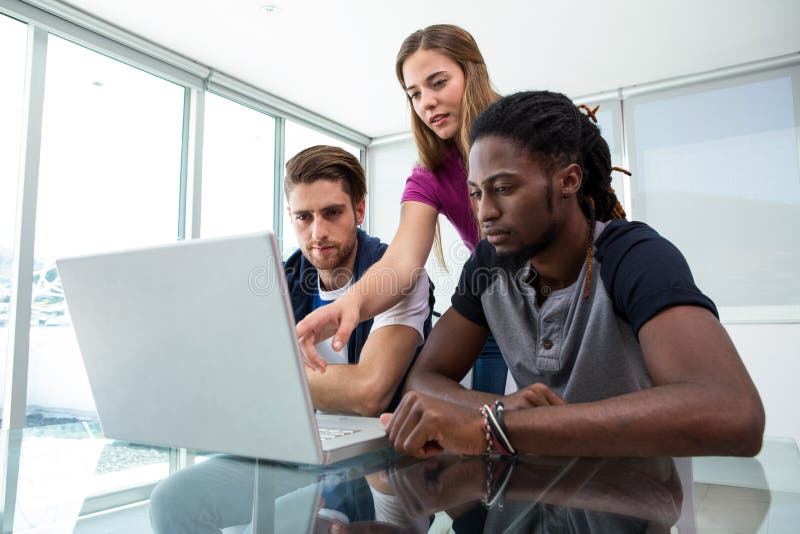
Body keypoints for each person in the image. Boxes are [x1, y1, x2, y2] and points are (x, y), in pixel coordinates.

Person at [381, 91, 765, 459]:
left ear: (568, 181)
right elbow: (424, 380)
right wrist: (500, 409)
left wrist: (494, 427)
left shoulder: (635, 256)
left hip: (636, 496)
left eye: (504, 188)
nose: (485, 213)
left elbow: (733, 412)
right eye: (478, 193)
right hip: (533, 492)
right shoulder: (489, 264)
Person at [149, 145, 432, 532]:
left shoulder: (395, 278)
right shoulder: (282, 280)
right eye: (304, 217)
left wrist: (265, 375)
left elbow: (368, 392)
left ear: (359, 210)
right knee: (173, 498)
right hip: (299, 448)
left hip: (380, 461)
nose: (317, 232)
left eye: (332, 213)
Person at [296, 24, 509, 394]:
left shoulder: (527, 135)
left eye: (438, 83)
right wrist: (352, 303)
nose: (426, 102)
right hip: (496, 307)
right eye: (415, 94)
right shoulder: (429, 175)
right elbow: (401, 263)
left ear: (471, 73)